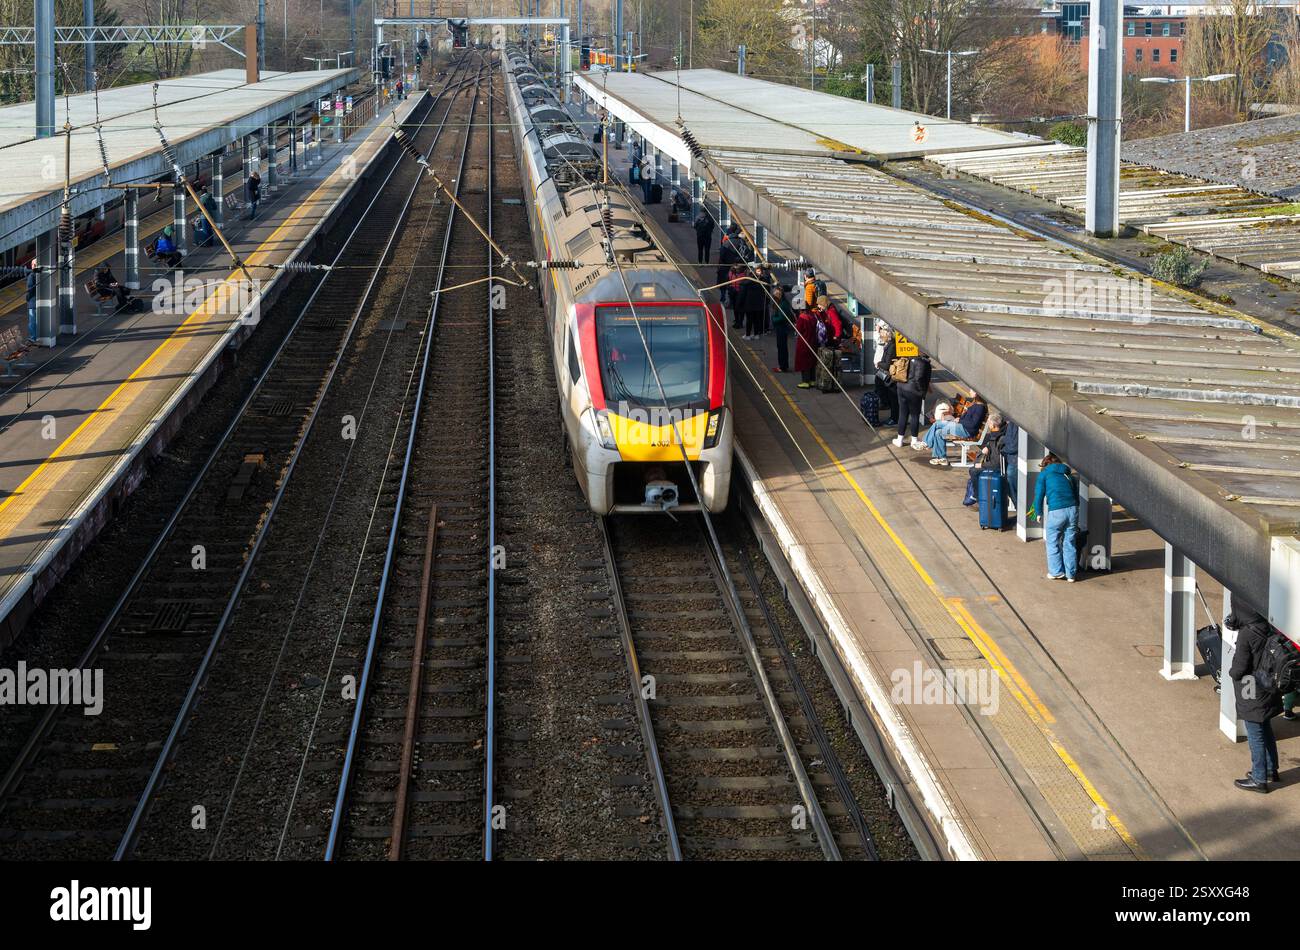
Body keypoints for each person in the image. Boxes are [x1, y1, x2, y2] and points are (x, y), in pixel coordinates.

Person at [1227, 603, 1283, 792]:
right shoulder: (1269, 625)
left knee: (1254, 732)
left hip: (1250, 687)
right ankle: (1270, 769)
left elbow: (1239, 669)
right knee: (1265, 726)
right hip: (1268, 684)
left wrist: (1231, 672)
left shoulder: (1246, 634)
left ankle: (1259, 778)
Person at [1032, 453, 1079, 582]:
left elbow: (1039, 495)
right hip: (1073, 509)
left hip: (1057, 510)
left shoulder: (1045, 474)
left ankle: (1056, 572)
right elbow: (1075, 494)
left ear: (1045, 464)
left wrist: (1038, 513)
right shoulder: (1068, 474)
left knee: (1052, 541)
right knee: (1069, 542)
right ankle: (1071, 575)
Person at [924, 391, 987, 467]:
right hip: (961, 427)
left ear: (977, 394)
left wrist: (960, 420)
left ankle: (926, 443)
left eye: (972, 390)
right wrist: (958, 420)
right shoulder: (975, 404)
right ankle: (942, 458)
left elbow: (973, 424)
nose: (970, 391)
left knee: (937, 424)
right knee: (938, 432)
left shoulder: (980, 408)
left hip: (966, 431)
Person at [963, 412, 1005, 506]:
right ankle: (976, 494)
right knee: (974, 468)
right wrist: (987, 447)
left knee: (974, 471)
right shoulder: (995, 435)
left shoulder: (999, 438)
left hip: (998, 468)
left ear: (993, 425)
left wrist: (981, 465)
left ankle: (977, 495)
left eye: (989, 423)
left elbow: (996, 463)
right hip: (993, 463)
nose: (988, 425)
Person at [892, 352, 931, 448]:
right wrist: (922, 392)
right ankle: (914, 440)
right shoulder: (922, 362)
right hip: (913, 391)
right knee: (914, 415)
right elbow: (919, 378)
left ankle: (899, 439)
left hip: (901, 387)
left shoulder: (908, 356)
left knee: (903, 414)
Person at [873, 324, 898, 426]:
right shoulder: (889, 345)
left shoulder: (891, 346)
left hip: (891, 377)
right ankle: (893, 416)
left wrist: (878, 364)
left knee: (893, 399)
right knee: (892, 398)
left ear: (887, 336)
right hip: (889, 377)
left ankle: (894, 418)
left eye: (882, 336)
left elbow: (887, 364)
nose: (881, 338)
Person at [793, 303, 819, 389]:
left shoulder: (802, 318)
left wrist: (795, 325)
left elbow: (799, 330)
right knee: (811, 362)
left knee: (804, 363)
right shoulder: (812, 317)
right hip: (813, 342)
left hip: (804, 343)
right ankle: (812, 380)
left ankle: (805, 381)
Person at [771, 283, 793, 372]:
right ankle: (783, 365)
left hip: (782, 328)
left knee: (782, 347)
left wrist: (773, 319)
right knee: (781, 347)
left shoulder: (783, 305)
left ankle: (782, 366)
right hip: (781, 328)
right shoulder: (782, 303)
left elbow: (782, 317)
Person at [1001, 419, 1020, 506]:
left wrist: (1003, 449)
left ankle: (1018, 506)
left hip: (1014, 460)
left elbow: (1013, 446)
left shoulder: (1015, 424)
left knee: (1010, 480)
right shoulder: (1011, 423)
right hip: (1010, 458)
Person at [25, 259, 39, 344]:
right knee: (38, 320)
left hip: (33, 302)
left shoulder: (31, 276)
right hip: (41, 301)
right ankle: (38, 336)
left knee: (32, 322)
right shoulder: (41, 274)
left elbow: (30, 289)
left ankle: (33, 338)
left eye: (34, 264)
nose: (33, 266)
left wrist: (27, 298)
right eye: (33, 264)